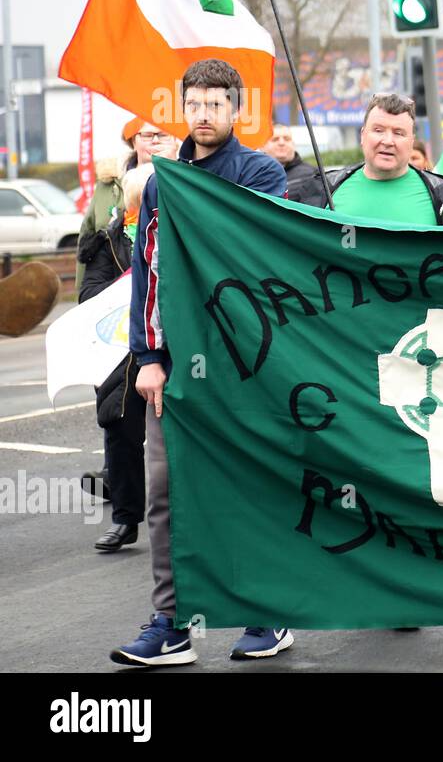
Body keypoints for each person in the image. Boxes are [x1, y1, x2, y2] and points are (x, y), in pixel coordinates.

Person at [113, 58, 292, 667]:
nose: (205, 115)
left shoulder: (260, 171)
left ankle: (265, 617)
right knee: (166, 493)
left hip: (243, 365)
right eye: (195, 104)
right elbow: (150, 274)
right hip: (173, 367)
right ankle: (171, 623)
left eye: (217, 104)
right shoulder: (162, 181)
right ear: (181, 107)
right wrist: (147, 356)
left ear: (236, 110)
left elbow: (262, 258)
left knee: (245, 487)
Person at [78, 163, 153, 553]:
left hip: (169, 348)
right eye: (137, 193)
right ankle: (126, 519)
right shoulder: (108, 240)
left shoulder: (175, 232)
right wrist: (128, 286)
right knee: (120, 428)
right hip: (121, 353)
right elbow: (88, 293)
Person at [299, 93, 443, 225]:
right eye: (378, 130)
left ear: (412, 142)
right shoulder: (322, 191)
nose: (388, 141)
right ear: (363, 135)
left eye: (398, 133)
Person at [76, 118, 178, 291]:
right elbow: (88, 234)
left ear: (175, 140)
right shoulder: (108, 183)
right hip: (114, 291)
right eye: (147, 135)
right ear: (133, 140)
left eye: (163, 134)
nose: (155, 140)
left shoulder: (186, 180)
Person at [265, 123, 319, 202]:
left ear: (293, 144)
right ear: (263, 146)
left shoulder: (313, 174)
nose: (281, 143)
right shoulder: (255, 174)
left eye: (287, 139)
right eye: (275, 139)